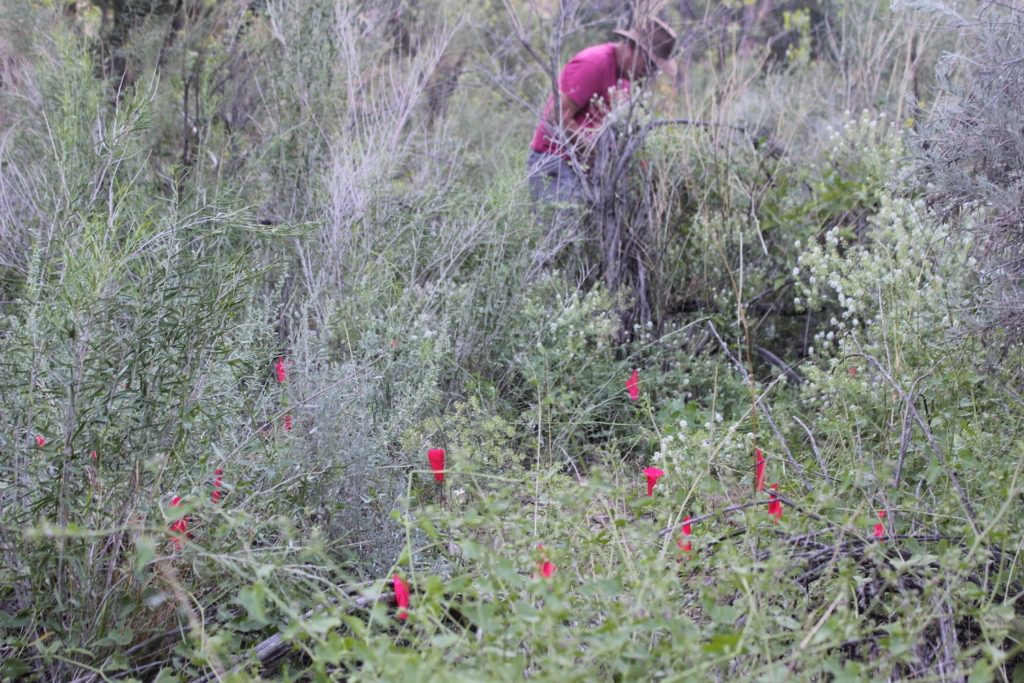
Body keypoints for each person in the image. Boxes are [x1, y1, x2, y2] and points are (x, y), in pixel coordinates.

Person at [527, 18, 678, 205]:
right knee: (567, 232)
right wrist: (594, 153)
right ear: (634, 49)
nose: (649, 73)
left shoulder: (625, 80)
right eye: (649, 64)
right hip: (554, 163)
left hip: (581, 172)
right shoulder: (594, 63)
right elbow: (555, 117)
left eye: (654, 69)